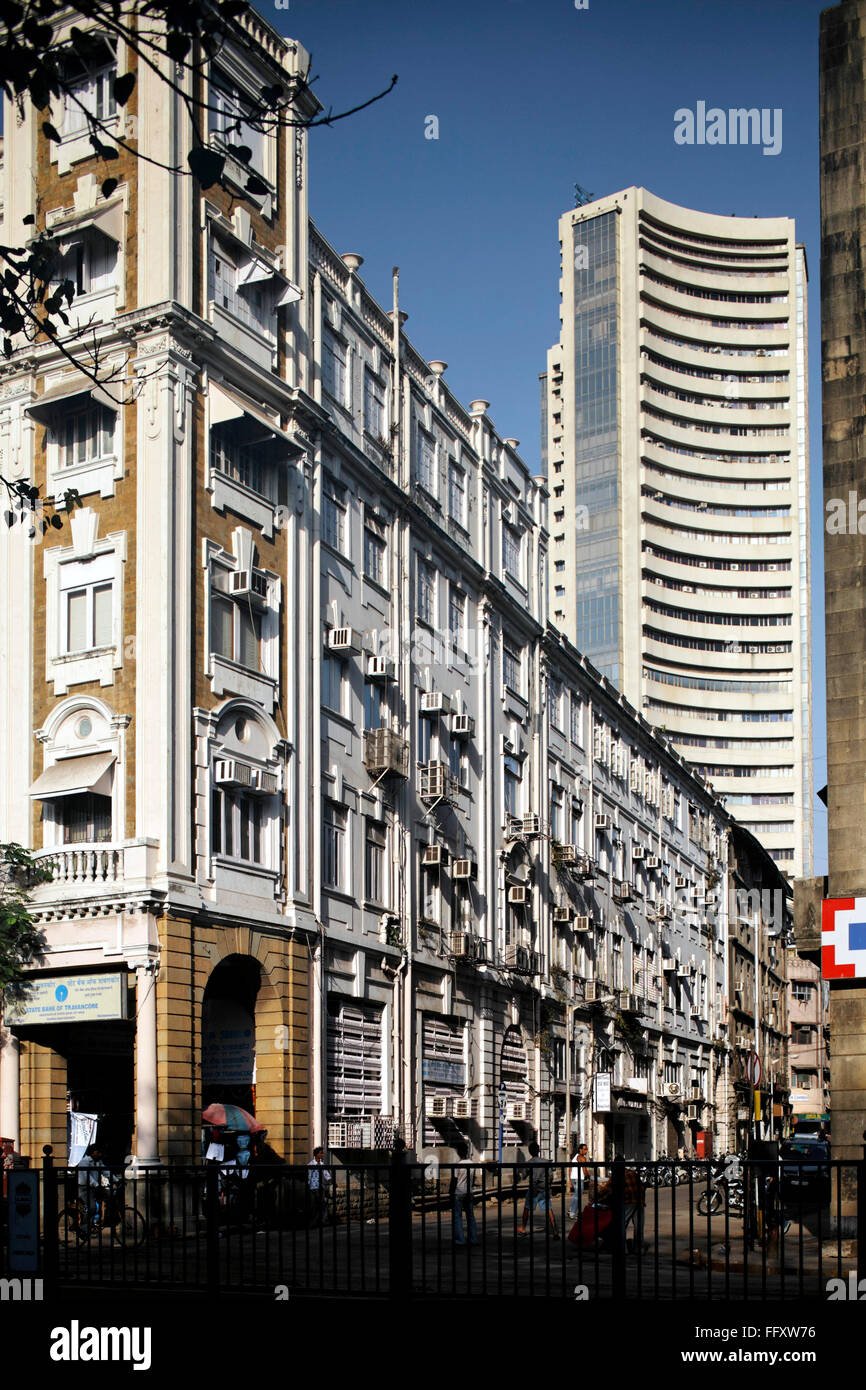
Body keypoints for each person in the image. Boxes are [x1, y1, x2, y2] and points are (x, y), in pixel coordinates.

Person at [596, 1156, 646, 1253]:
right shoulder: (632, 1173)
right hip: (639, 1201)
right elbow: (642, 1186)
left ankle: (623, 1249)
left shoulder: (617, 1175)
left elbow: (606, 1191)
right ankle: (639, 1249)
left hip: (628, 1202)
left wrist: (597, 1199)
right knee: (639, 1226)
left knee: (622, 1225)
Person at [518, 1141, 557, 1237]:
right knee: (549, 1208)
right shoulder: (546, 1162)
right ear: (538, 1150)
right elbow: (551, 1176)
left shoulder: (529, 1163)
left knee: (527, 1208)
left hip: (533, 1188)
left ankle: (523, 1228)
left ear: (530, 1152)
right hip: (544, 1188)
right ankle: (555, 1231)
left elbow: (523, 1176)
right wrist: (549, 1186)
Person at [450, 1142, 478, 1246]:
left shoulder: (457, 1165)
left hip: (458, 1192)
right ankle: (473, 1238)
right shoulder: (472, 1164)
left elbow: (454, 1181)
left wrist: (450, 1193)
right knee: (470, 1216)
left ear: (458, 1152)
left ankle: (460, 1239)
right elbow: (473, 1179)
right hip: (468, 1191)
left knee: (457, 1216)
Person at [77, 1144, 107, 1224]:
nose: (100, 1154)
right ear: (93, 1153)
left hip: (93, 1187)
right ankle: (84, 1228)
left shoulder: (98, 1162)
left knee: (108, 1196)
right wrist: (96, 1185)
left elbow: (105, 1171)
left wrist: (116, 1180)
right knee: (92, 1207)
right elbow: (87, 1176)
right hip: (85, 1188)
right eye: (98, 1152)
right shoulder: (85, 1162)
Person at [307, 1145, 333, 1225]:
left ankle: (322, 1221)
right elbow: (308, 1176)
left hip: (319, 1187)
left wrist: (331, 1181)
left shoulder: (321, 1164)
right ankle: (316, 1221)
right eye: (321, 1153)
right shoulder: (311, 1165)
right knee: (317, 1205)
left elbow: (326, 1174)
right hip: (313, 1187)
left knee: (321, 1204)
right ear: (316, 1154)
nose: (322, 1155)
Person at [568, 1143, 589, 1220]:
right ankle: (572, 1213)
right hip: (579, 1178)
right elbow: (584, 1170)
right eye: (585, 1149)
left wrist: (570, 1180)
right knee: (577, 1196)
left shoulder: (574, 1157)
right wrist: (589, 1177)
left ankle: (571, 1209)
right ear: (580, 1150)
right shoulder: (582, 1158)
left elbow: (570, 1169)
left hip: (573, 1178)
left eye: (586, 1149)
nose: (586, 1151)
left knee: (576, 1195)